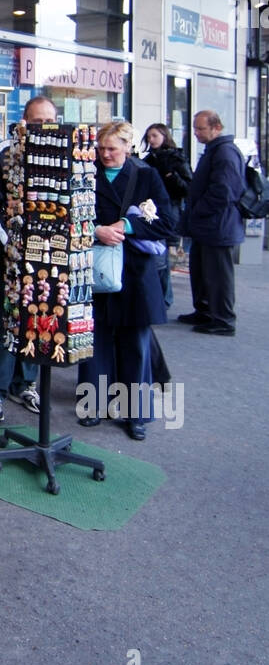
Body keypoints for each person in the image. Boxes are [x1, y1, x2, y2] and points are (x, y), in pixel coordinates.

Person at [77, 121, 175, 441]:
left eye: (112, 149)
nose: (104, 154)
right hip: (96, 268)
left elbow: (169, 223)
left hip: (135, 272)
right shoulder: (84, 172)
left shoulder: (146, 175)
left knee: (135, 343)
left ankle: (135, 415)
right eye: (101, 148)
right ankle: (93, 404)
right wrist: (96, 230)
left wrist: (127, 227)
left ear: (128, 147)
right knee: (97, 341)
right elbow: (67, 216)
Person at [0, 95, 58, 424]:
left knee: (38, 320)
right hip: (11, 258)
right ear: (23, 121)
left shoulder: (59, 155)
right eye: (36, 121)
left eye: (47, 121)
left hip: (51, 260)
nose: (42, 127)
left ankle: (25, 383)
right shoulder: (2, 153)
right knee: (8, 321)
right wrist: (10, 249)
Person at [178, 110, 245, 335]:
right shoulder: (215, 151)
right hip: (209, 225)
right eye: (195, 128)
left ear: (216, 127)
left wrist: (197, 211)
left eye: (200, 129)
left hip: (218, 225)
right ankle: (206, 311)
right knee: (202, 271)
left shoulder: (224, 153)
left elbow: (224, 191)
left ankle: (223, 319)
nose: (195, 133)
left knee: (218, 275)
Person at [140, 123, 193, 306]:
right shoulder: (148, 160)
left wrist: (170, 175)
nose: (151, 140)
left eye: (154, 135)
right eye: (148, 136)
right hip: (150, 211)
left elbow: (187, 187)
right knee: (157, 256)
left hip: (169, 210)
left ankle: (164, 299)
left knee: (163, 258)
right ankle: (159, 298)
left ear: (164, 135)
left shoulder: (175, 158)